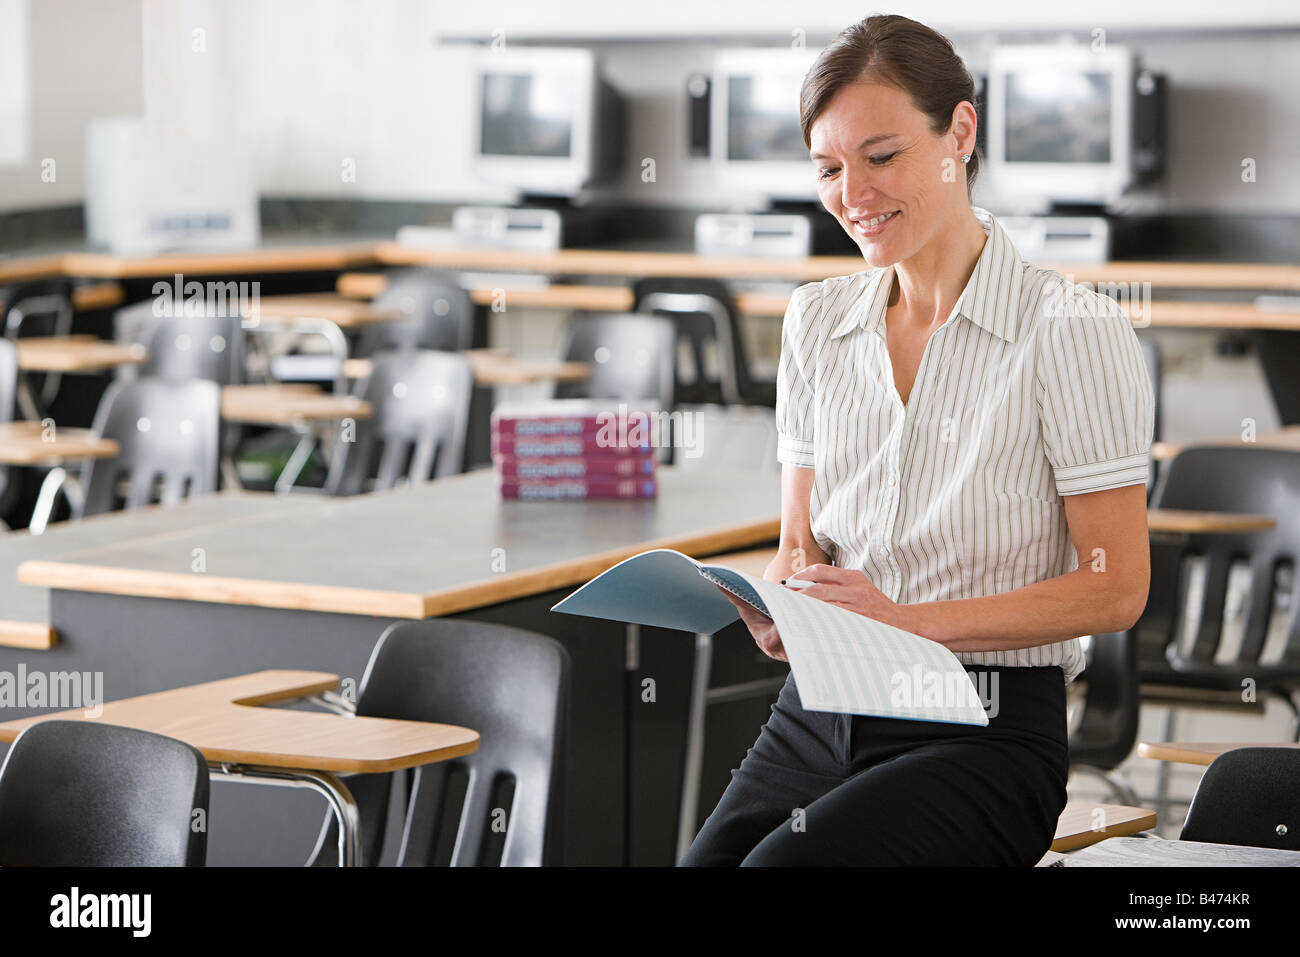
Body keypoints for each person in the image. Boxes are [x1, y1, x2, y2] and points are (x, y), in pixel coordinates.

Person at [680, 13, 1154, 866]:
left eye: (882, 156)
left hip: (983, 729)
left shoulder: (1070, 328)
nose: (853, 194)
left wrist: (906, 622)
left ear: (959, 134)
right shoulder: (816, 319)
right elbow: (801, 539)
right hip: (820, 709)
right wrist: (783, 596)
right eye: (829, 168)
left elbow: (1114, 589)